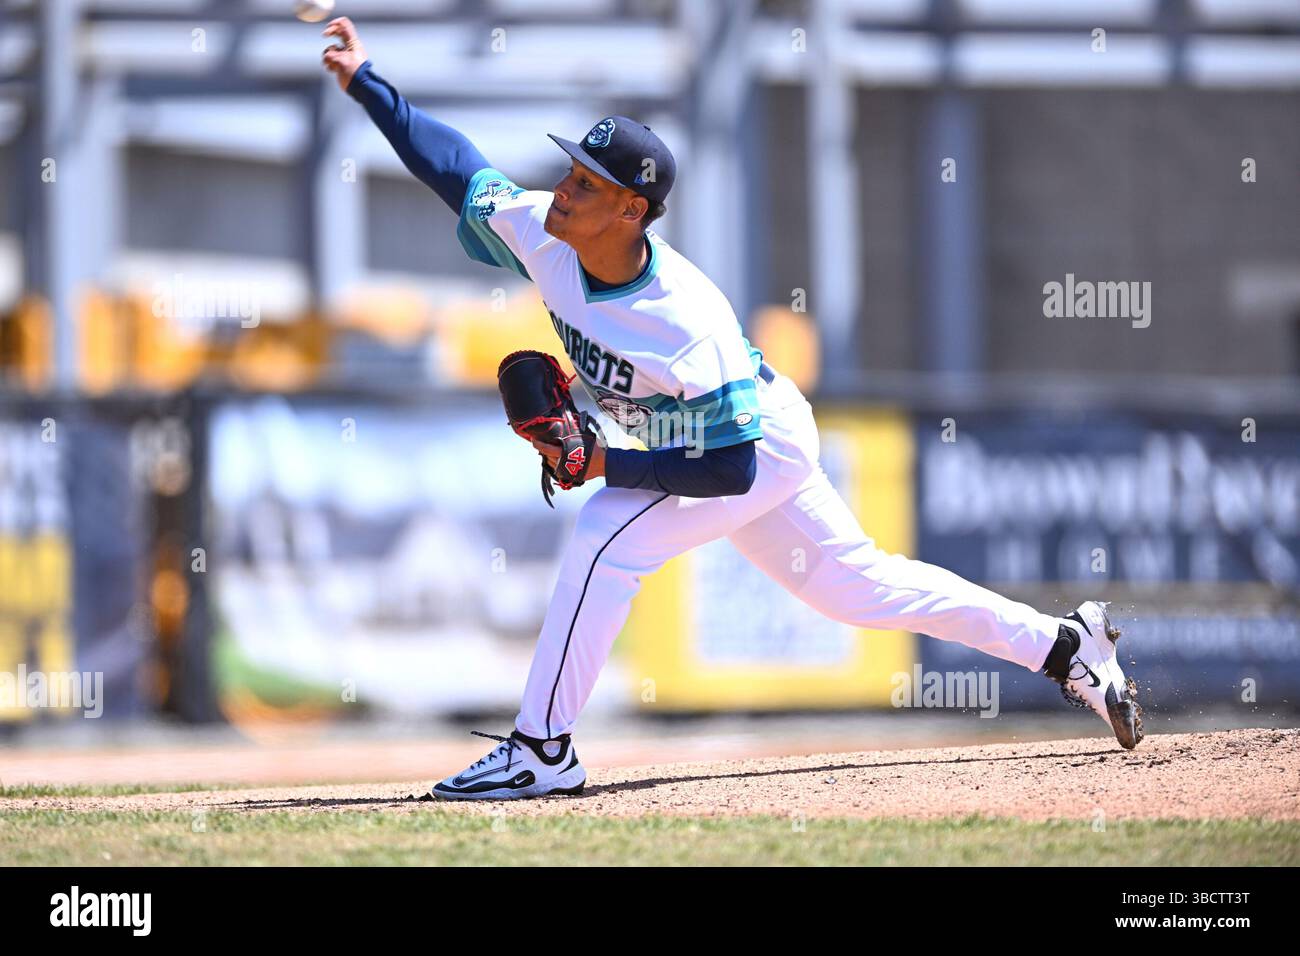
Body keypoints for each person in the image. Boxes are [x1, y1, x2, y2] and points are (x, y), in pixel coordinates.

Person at [320, 18, 1143, 800]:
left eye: (584, 183)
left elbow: (731, 468)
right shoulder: (544, 233)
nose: (561, 191)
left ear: (629, 211)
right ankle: (1066, 644)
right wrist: (366, 82)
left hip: (755, 442)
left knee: (606, 535)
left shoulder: (685, 319)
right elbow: (454, 166)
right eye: (569, 172)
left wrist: (605, 463)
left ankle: (541, 750)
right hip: (708, 435)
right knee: (856, 589)